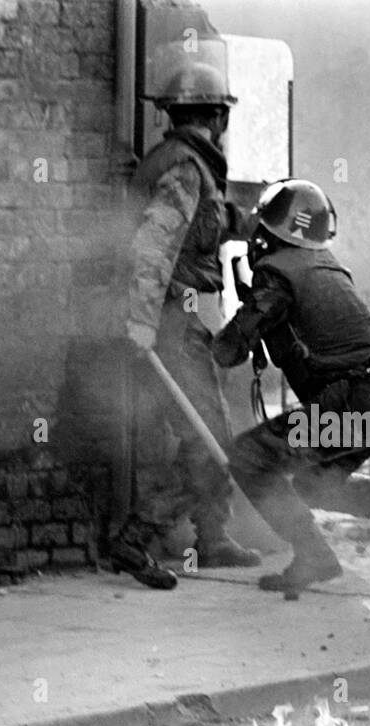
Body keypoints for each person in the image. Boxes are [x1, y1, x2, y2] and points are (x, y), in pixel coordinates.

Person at [212, 179, 370, 592]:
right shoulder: (324, 265)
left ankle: (314, 557)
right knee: (314, 484)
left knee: (249, 458)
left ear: (269, 232)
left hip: (350, 406)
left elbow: (229, 350)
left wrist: (211, 333)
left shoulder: (278, 274)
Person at [110, 62, 262, 590]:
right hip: (172, 322)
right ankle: (136, 536)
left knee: (208, 429)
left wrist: (262, 220)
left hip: (187, 320)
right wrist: (142, 322)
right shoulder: (185, 169)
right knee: (209, 439)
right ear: (217, 116)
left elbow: (209, 224)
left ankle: (214, 538)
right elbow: (153, 247)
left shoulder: (189, 165)